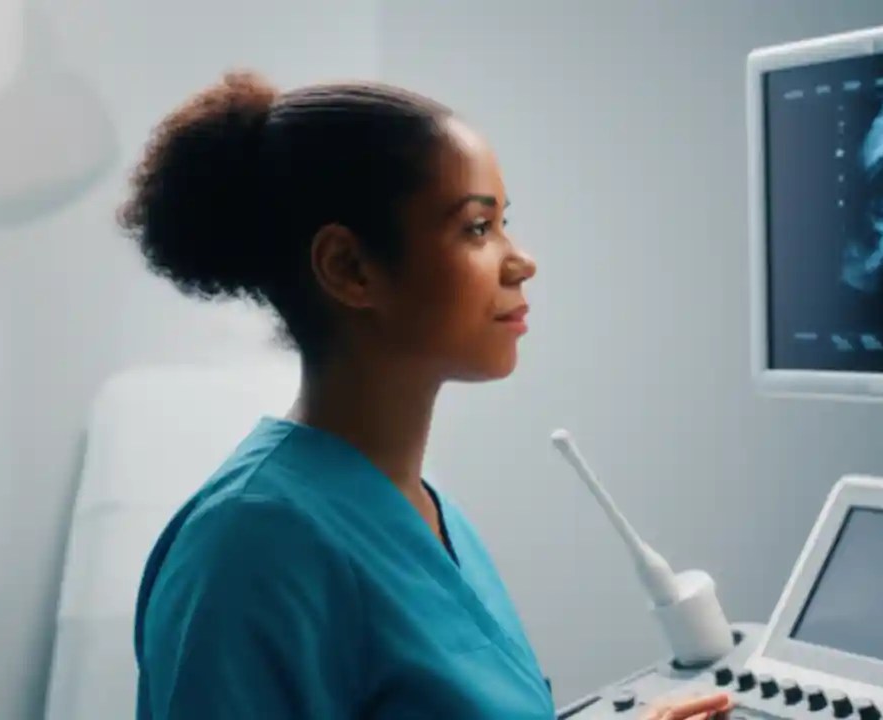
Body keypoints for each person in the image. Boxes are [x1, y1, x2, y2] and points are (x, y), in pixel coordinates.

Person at [120, 69, 734, 720]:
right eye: (476, 228)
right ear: (350, 269)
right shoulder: (247, 553)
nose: (521, 261)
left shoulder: (419, 510)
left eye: (504, 223)